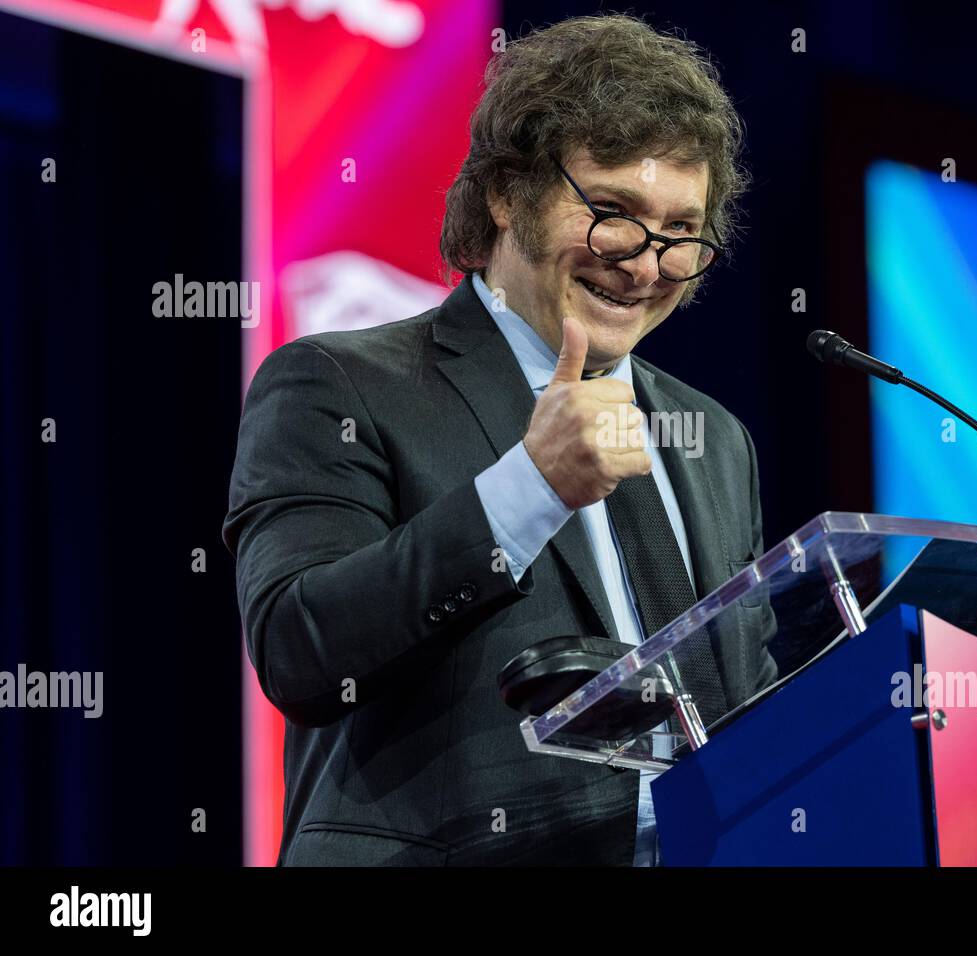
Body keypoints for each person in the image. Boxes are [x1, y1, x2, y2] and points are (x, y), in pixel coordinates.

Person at [223, 13, 776, 866]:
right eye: (613, 212)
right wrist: (531, 486)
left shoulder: (716, 440)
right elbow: (302, 651)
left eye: (680, 232)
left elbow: (751, 701)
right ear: (507, 192)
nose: (643, 262)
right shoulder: (339, 382)